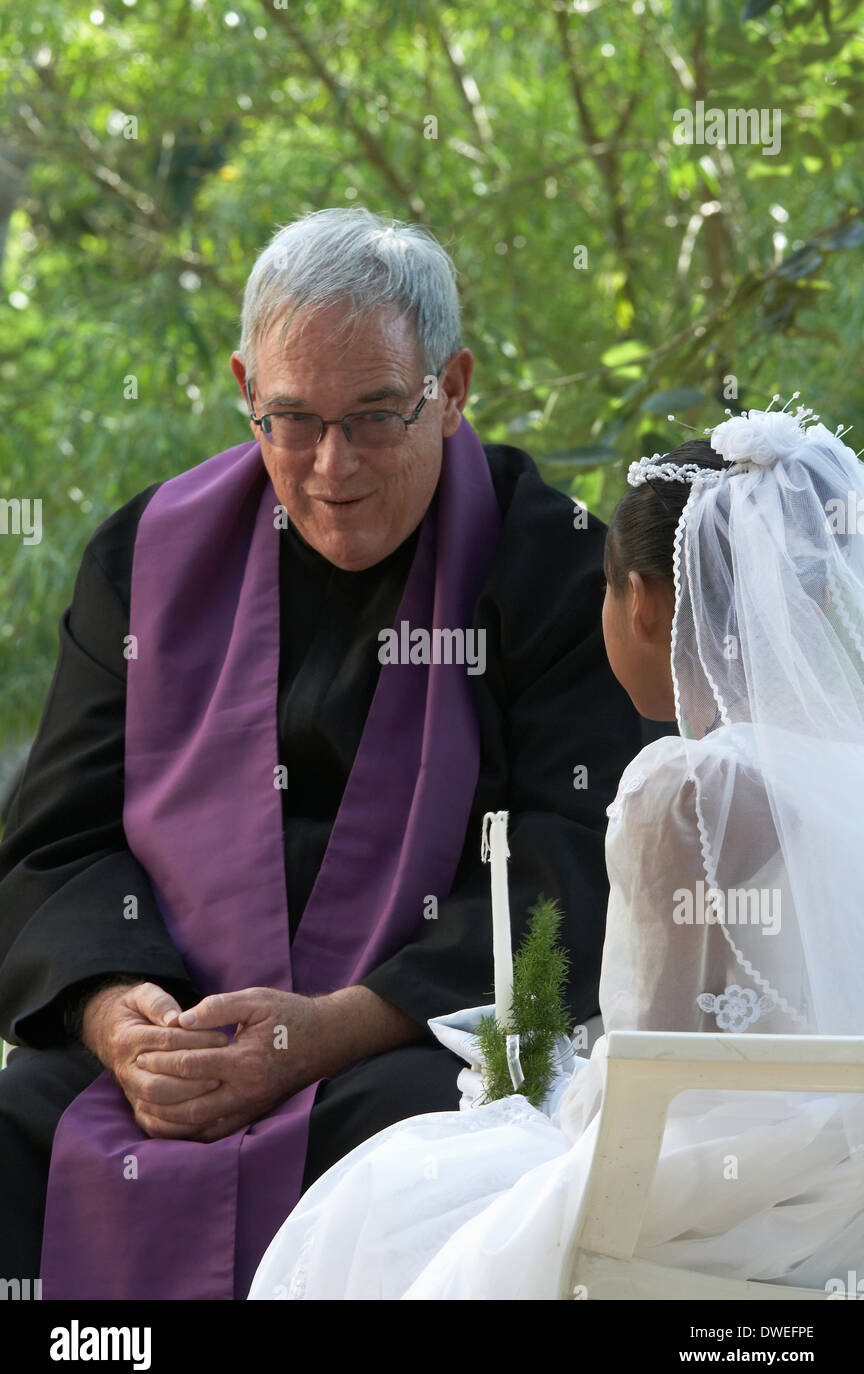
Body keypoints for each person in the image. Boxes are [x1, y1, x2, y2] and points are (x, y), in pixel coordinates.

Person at [0, 207, 654, 1300]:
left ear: (452, 386)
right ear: (243, 386)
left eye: (376, 416)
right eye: (291, 419)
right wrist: (122, 1018)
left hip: (410, 1039)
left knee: (406, 1153)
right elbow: (54, 842)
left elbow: (578, 859)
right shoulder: (145, 561)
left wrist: (332, 1031)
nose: (332, 466)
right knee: (25, 1128)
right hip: (173, 1034)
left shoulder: (552, 567)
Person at [248, 399, 864, 1300]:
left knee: (380, 1202)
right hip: (836, 1195)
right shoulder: (842, 777)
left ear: (644, 602)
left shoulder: (682, 791)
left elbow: (643, 1073)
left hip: (698, 1205)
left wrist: (534, 1092)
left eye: (603, 595)